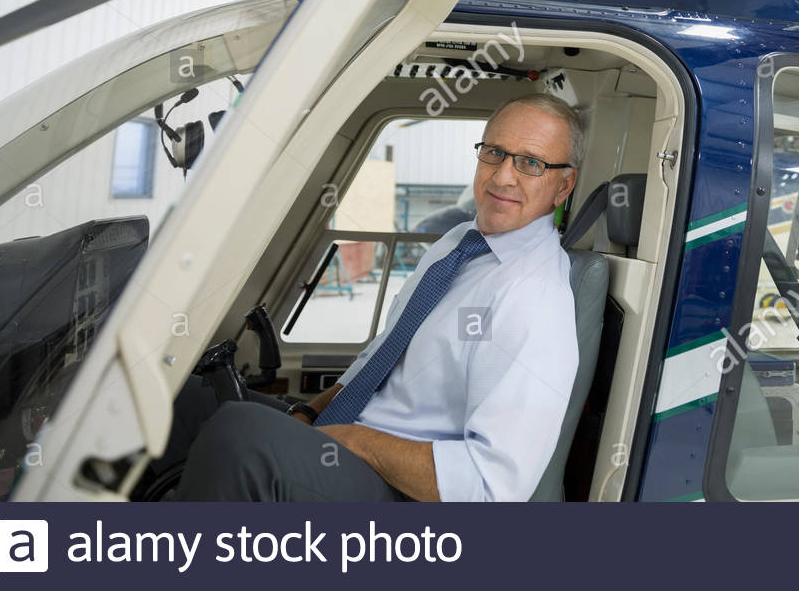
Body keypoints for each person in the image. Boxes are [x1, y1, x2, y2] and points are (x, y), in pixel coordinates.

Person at [172, 94, 582, 501]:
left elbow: (490, 487)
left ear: (563, 186)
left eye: (531, 163)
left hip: (403, 489)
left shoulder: (535, 300)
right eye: (495, 153)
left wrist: (355, 440)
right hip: (355, 439)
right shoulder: (460, 243)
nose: (502, 177)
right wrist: (309, 412)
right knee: (184, 398)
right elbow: (382, 359)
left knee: (240, 435)